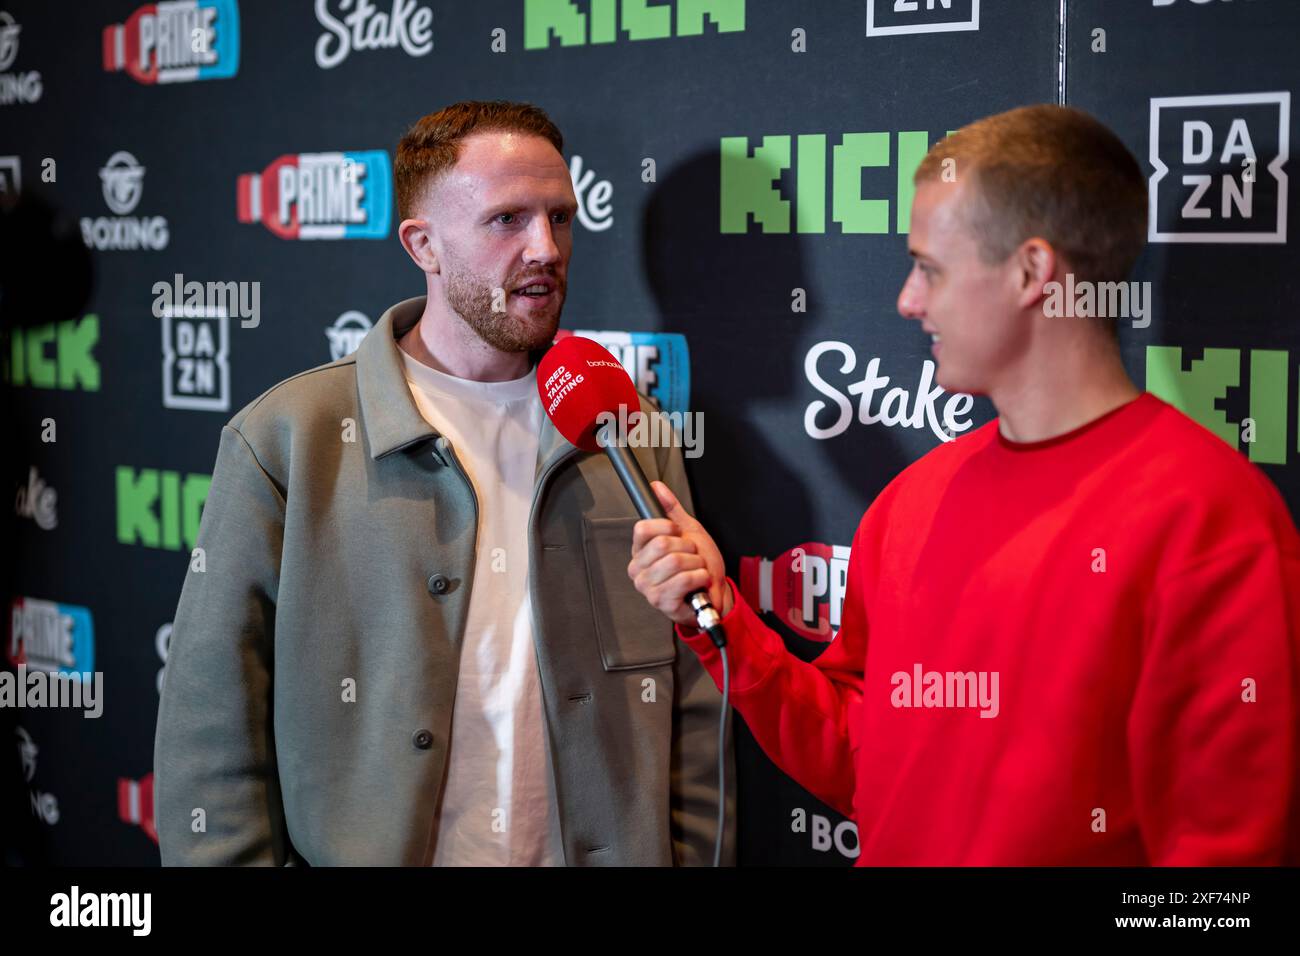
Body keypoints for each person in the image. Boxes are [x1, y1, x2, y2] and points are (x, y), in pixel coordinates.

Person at [628, 104, 1300, 865]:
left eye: (930, 268)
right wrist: (728, 627)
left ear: (1031, 272)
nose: (908, 301)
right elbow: (862, 758)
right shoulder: (912, 504)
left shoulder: (1211, 520)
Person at [155, 100, 733, 866]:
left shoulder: (630, 432)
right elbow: (212, 728)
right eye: (507, 220)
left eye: (560, 218)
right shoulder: (290, 437)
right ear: (423, 244)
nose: (546, 247)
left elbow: (695, 702)